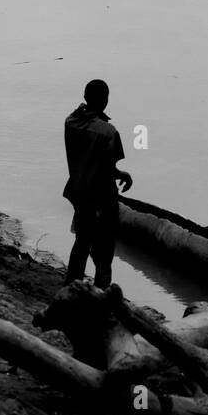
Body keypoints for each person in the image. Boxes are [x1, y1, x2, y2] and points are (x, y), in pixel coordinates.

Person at [63, 79, 133, 289]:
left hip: (79, 193)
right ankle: (101, 295)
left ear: (85, 98)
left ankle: (71, 288)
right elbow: (108, 168)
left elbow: (89, 159)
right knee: (104, 253)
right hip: (102, 197)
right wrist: (122, 174)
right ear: (105, 100)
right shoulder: (109, 132)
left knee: (82, 243)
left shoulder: (70, 122)